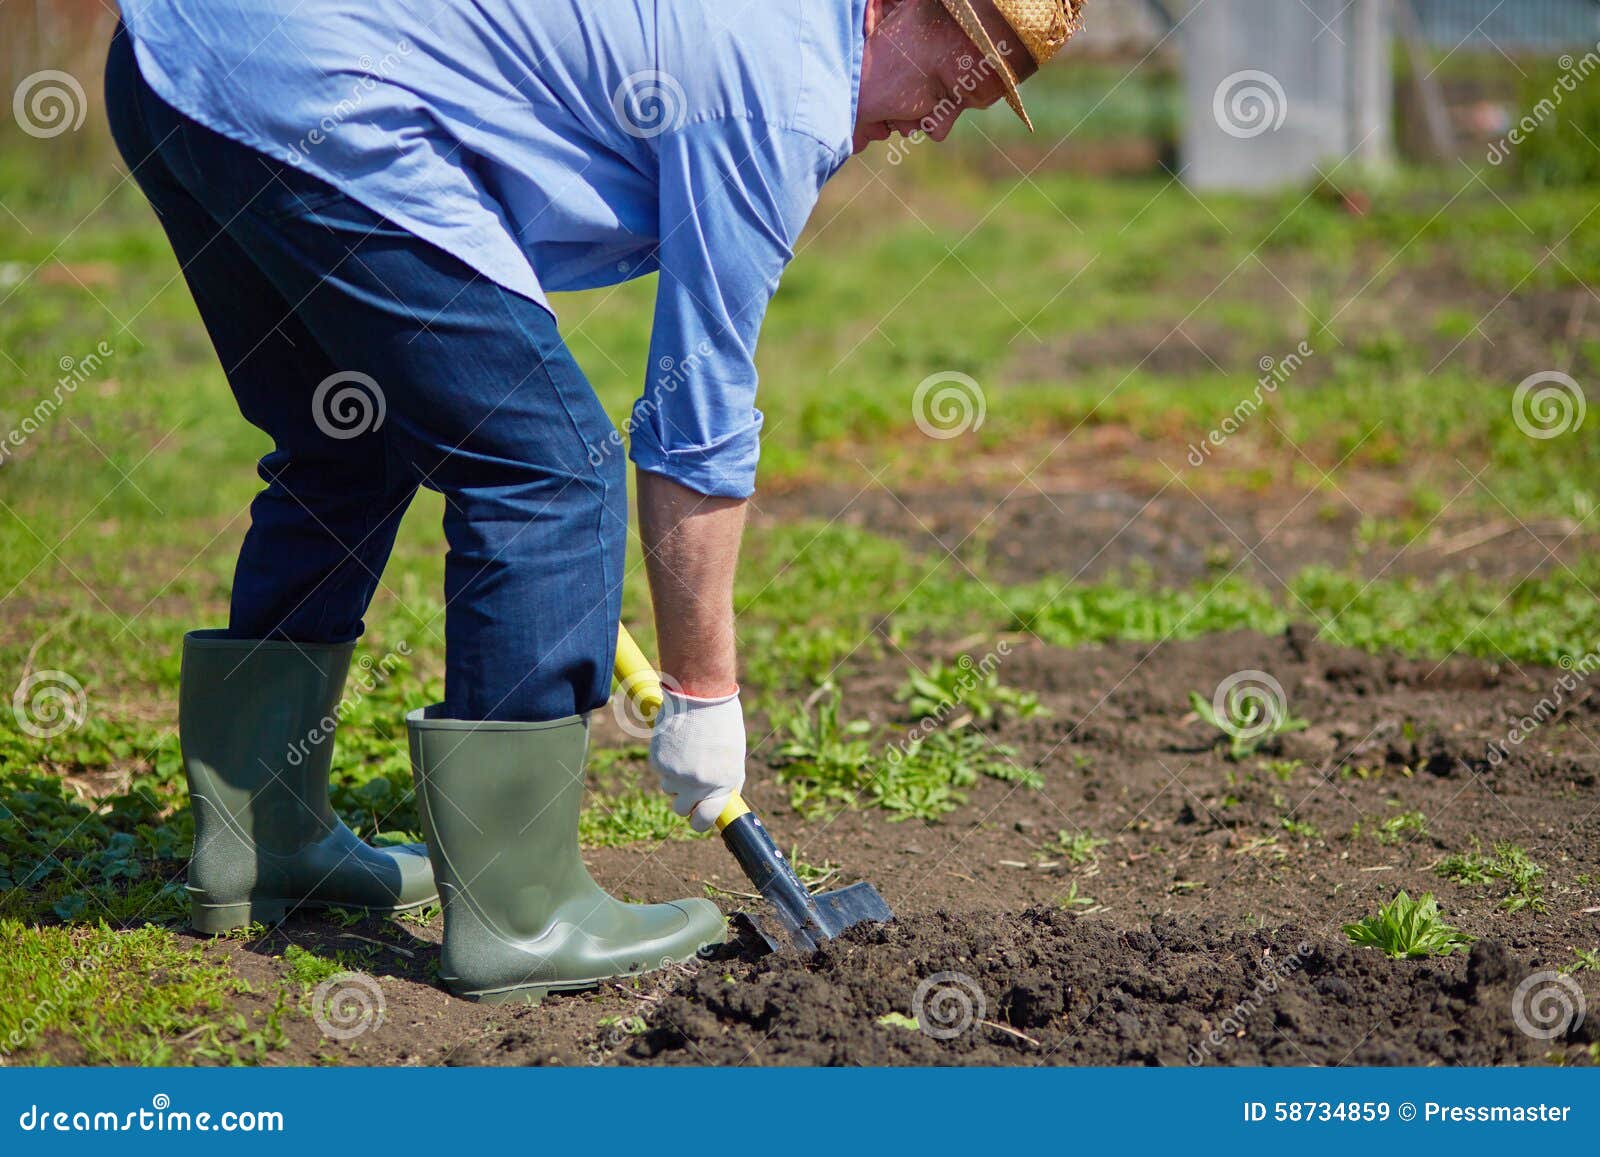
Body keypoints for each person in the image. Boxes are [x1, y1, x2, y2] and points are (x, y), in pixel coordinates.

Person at [104, 0, 1086, 1003]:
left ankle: (261, 837)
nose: (940, 119)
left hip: (181, 63)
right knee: (548, 469)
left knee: (343, 438)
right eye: (965, 65)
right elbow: (695, 412)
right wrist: (704, 693)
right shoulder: (783, 91)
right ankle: (520, 914)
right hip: (309, 94)